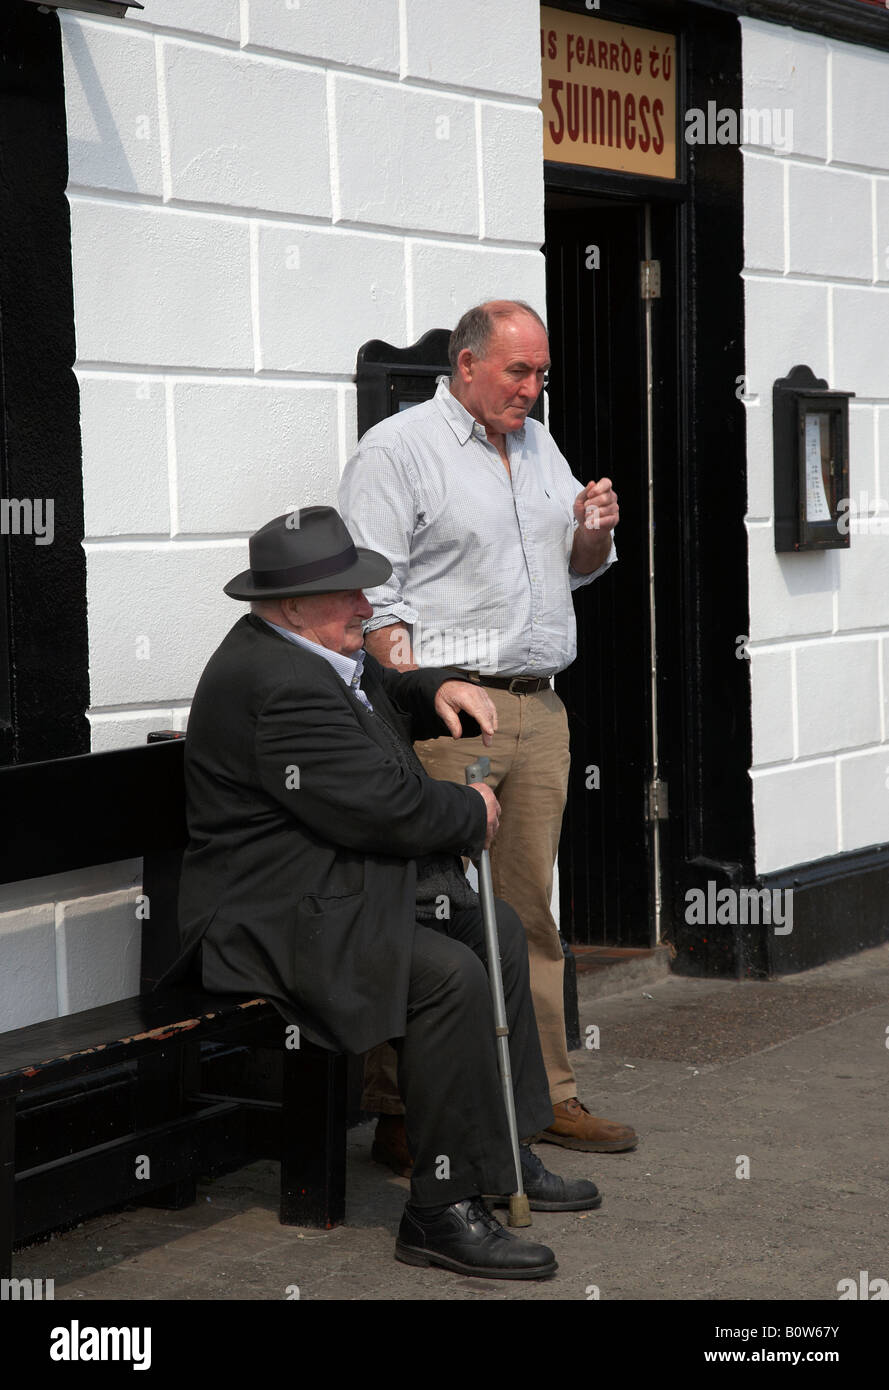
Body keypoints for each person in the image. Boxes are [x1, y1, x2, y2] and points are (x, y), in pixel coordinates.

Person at [173, 506, 604, 1282]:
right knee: (446, 979)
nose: (368, 608)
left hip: (330, 892)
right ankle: (439, 1213)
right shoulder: (278, 682)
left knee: (494, 928)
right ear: (293, 605)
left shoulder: (304, 648)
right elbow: (384, 810)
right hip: (273, 921)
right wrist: (468, 810)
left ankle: (502, 1156)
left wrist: (434, 685)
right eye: (350, 596)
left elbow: (380, 688)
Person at [339, 299, 638, 1168]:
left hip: (540, 707)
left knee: (526, 913)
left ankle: (546, 1097)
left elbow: (576, 574)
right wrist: (409, 697)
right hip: (450, 709)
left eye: (542, 373)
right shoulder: (397, 451)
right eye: (518, 371)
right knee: (432, 911)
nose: (532, 389)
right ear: (464, 364)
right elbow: (374, 595)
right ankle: (402, 1112)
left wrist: (589, 534)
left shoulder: (539, 444)